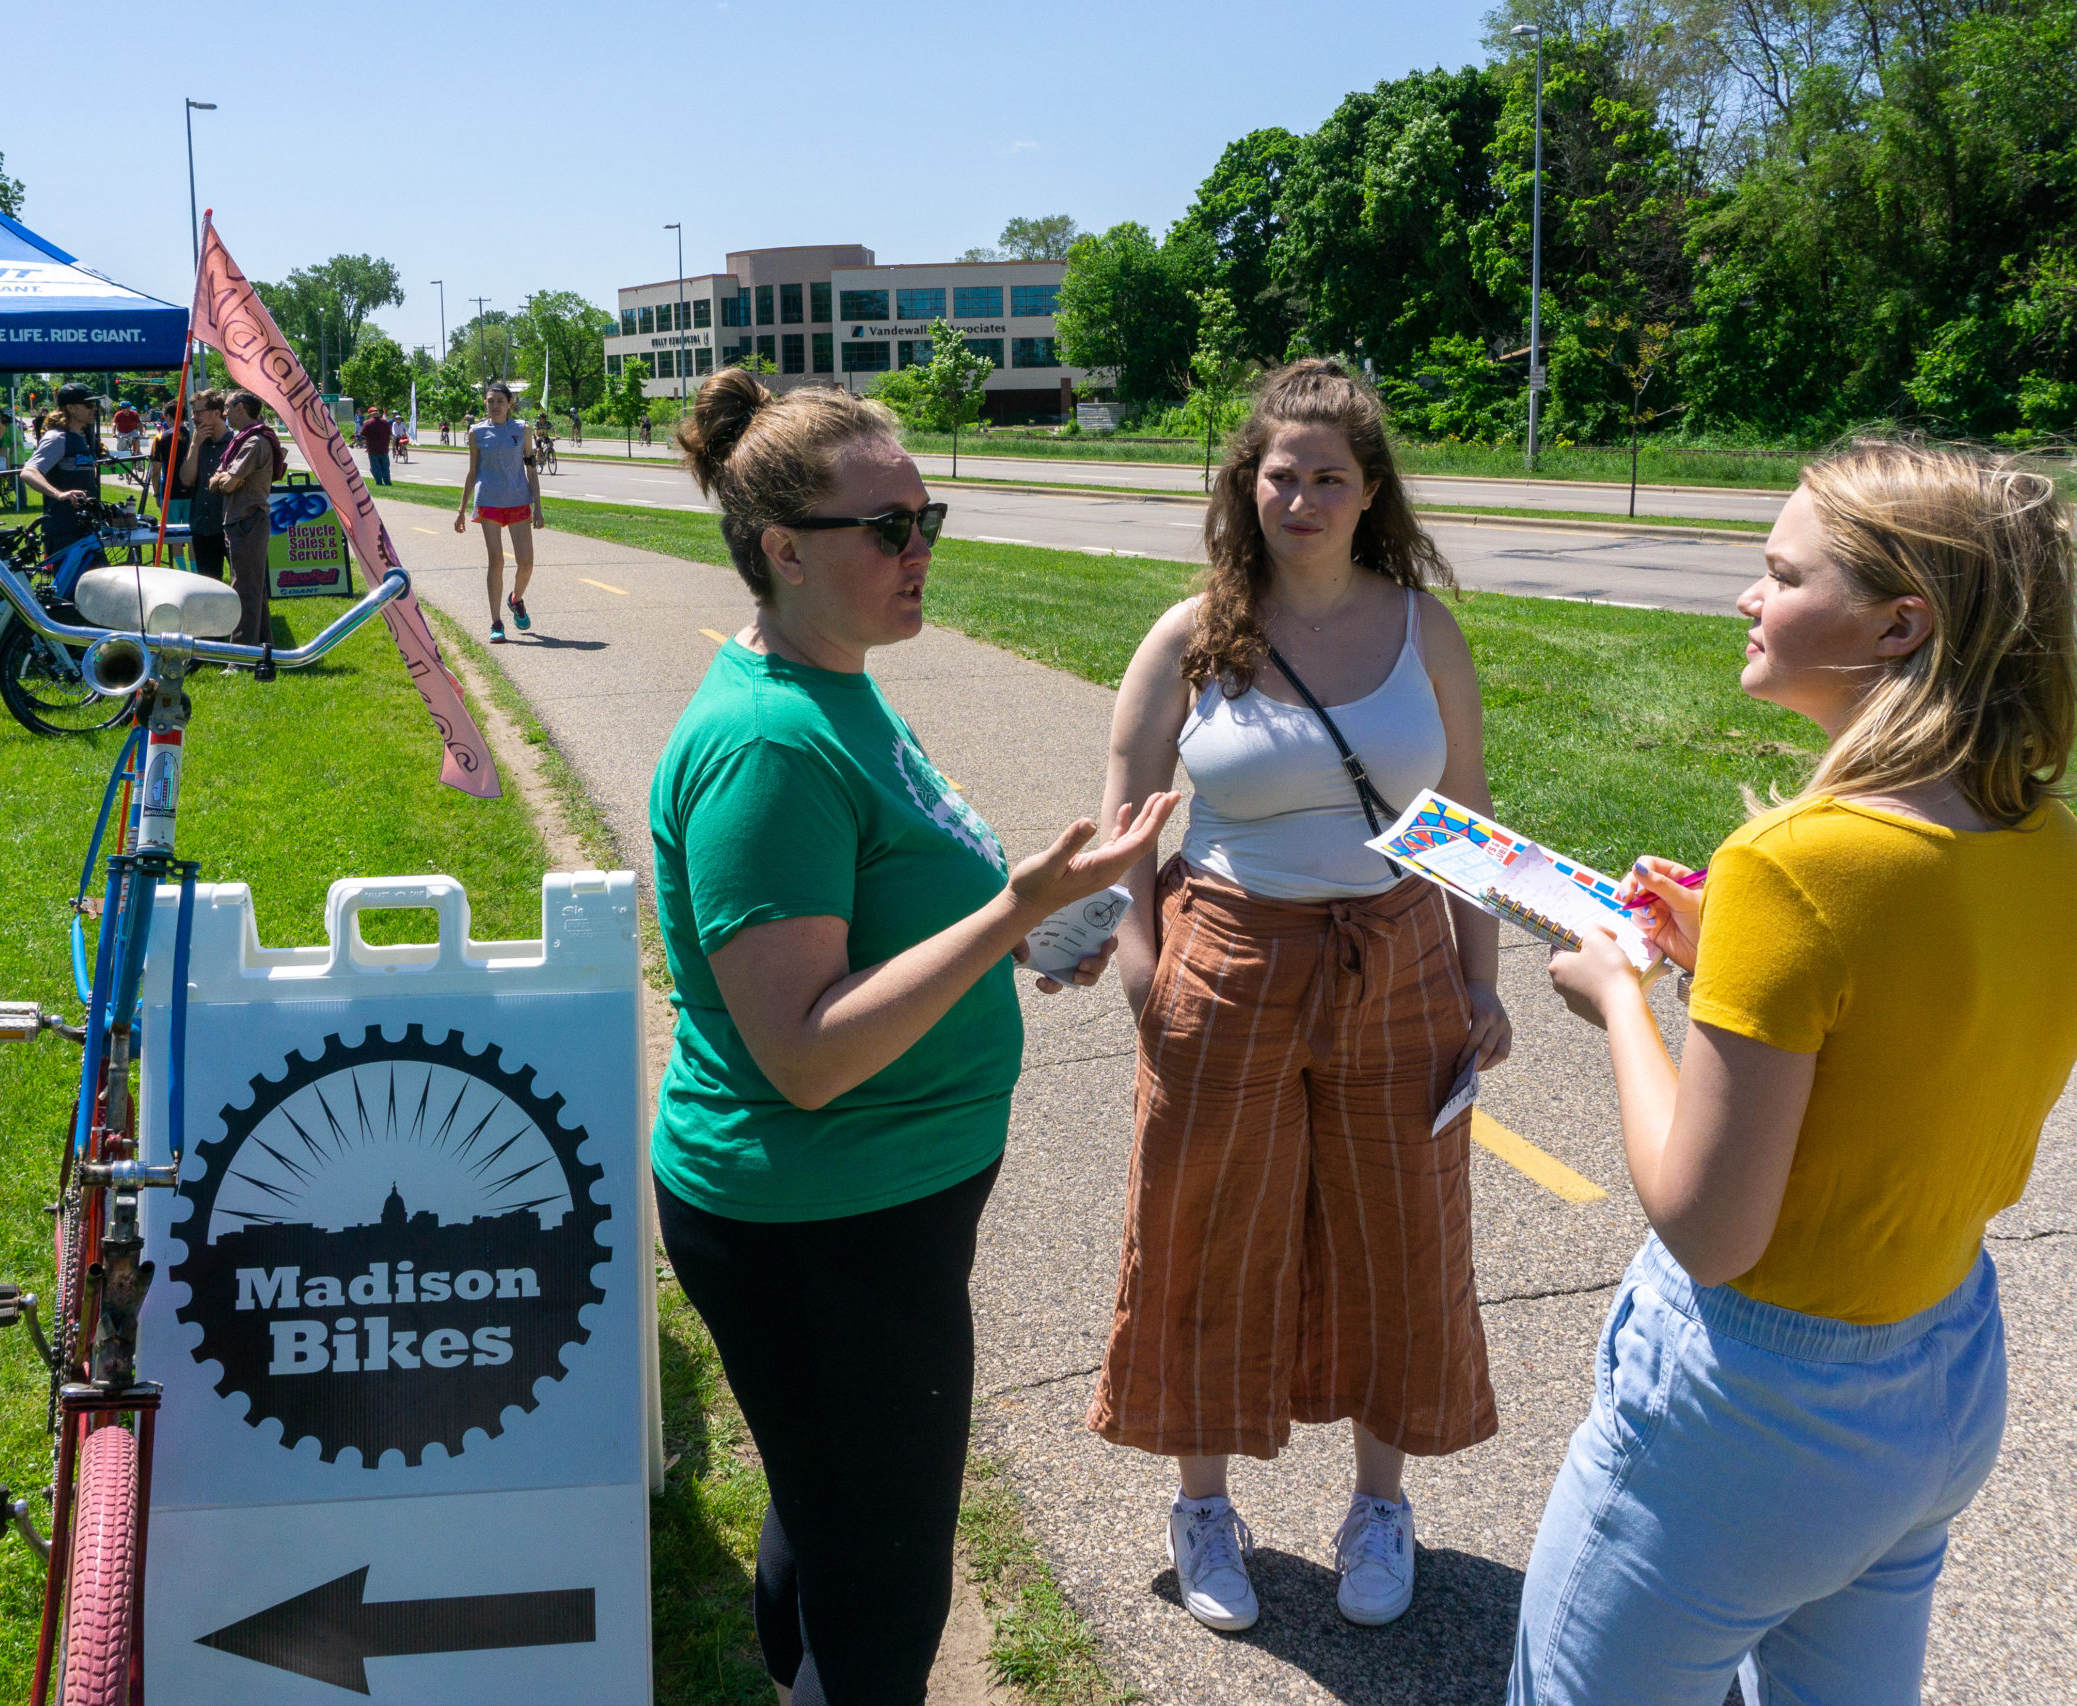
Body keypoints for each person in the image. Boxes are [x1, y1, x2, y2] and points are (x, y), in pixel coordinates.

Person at [1510, 440, 2077, 1705]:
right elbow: (1898, 1056)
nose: (1748, 597)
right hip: (1943, 1368)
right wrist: (1725, 960)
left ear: (1898, 624)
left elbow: (1708, 1226)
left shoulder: (1793, 866)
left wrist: (1623, 1000)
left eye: (1781, 575)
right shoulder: (2045, 837)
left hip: (1759, 1411)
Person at [651, 367, 1178, 1705]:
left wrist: (1039, 930)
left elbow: (894, 930)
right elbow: (808, 1053)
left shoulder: (839, 687)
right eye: (886, 529)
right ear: (782, 549)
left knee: (832, 1511)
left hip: (881, 1216)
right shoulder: (768, 744)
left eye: (927, 516)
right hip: (821, 1226)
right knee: (888, 1593)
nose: (920, 551)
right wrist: (1015, 908)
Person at [1084, 358, 1512, 1635]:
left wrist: (1482, 980)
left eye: (1330, 475)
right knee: (1210, 1227)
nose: (1304, 495)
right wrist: (1146, 980)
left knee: (1401, 1230)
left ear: (1369, 489)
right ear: (1246, 484)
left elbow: (1468, 812)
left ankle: (1380, 1504)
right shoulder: (1189, 633)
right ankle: (1205, 1504)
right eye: (1283, 473)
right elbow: (1122, 826)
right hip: (1229, 955)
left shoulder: (1423, 626)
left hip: (1400, 959)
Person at [454, 381, 544, 643]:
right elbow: (472, 472)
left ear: (509, 404)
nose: (494, 406)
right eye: (490, 401)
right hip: (489, 501)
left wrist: (537, 505)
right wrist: (461, 510)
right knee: (497, 561)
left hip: (518, 500)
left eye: (499, 402)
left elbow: (530, 469)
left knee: (526, 562)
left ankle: (516, 599)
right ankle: (496, 622)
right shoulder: (477, 432)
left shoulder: (522, 430)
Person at [206, 390, 282, 646]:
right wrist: (221, 479)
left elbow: (227, 484)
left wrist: (222, 480)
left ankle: (239, 654)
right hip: (242, 520)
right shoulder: (242, 441)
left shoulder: (253, 442)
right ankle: (262, 645)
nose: (224, 413)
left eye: (227, 407)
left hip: (247, 520)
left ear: (241, 408)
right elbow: (218, 480)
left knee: (244, 590)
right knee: (254, 590)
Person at [20, 383, 106, 559]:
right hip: (63, 529)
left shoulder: (80, 437)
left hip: (84, 526)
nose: (93, 410)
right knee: (70, 586)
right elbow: (29, 471)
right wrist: (59, 494)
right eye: (88, 405)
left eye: (94, 405)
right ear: (71, 408)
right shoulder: (58, 438)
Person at [165, 390, 234, 579]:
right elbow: (186, 480)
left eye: (199, 412)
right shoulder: (197, 442)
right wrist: (195, 446)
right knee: (209, 585)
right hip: (203, 527)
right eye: (193, 412)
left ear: (216, 413)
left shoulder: (235, 443)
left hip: (231, 526)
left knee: (241, 583)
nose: (194, 417)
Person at [359, 406, 394, 487]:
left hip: (372, 448)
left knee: (375, 467)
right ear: (379, 415)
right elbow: (389, 433)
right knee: (385, 466)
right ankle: (387, 481)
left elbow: (363, 434)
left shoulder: (367, 423)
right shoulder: (385, 423)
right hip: (384, 448)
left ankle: (379, 481)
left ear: (371, 415)